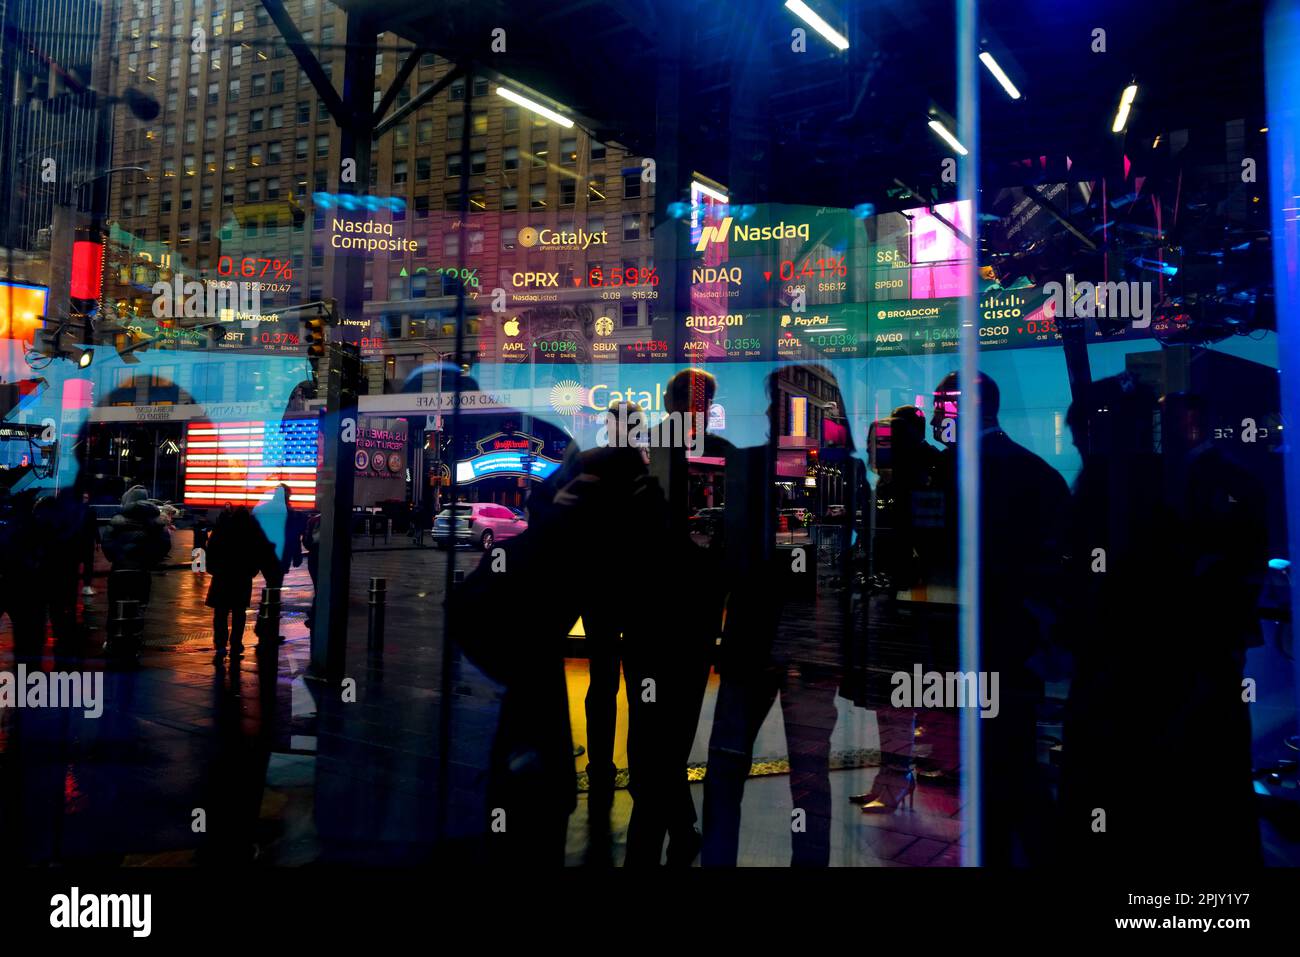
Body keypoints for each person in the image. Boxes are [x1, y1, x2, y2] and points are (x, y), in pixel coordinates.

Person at [100, 485, 172, 633]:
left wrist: (117, 556)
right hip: (142, 571)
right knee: (140, 607)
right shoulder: (155, 521)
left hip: (119, 570)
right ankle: (135, 637)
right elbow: (164, 545)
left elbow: (107, 543)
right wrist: (150, 559)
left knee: (114, 606)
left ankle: (112, 638)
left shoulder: (118, 519)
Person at [204, 505, 270, 659]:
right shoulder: (251, 531)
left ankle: (220, 643)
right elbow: (258, 553)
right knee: (239, 613)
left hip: (222, 576)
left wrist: (213, 569)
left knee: (220, 612)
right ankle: (236, 643)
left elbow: (211, 550)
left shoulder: (222, 529)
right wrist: (252, 571)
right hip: (242, 578)